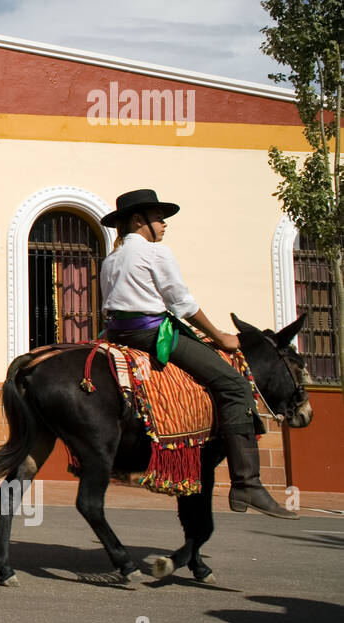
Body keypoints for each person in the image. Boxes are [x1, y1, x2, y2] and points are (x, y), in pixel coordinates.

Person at [99, 189, 295, 518]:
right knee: (234, 385)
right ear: (138, 221)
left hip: (118, 334)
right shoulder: (154, 253)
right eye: (158, 218)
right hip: (150, 335)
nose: (163, 224)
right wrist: (219, 336)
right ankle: (248, 482)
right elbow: (182, 304)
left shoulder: (112, 258)